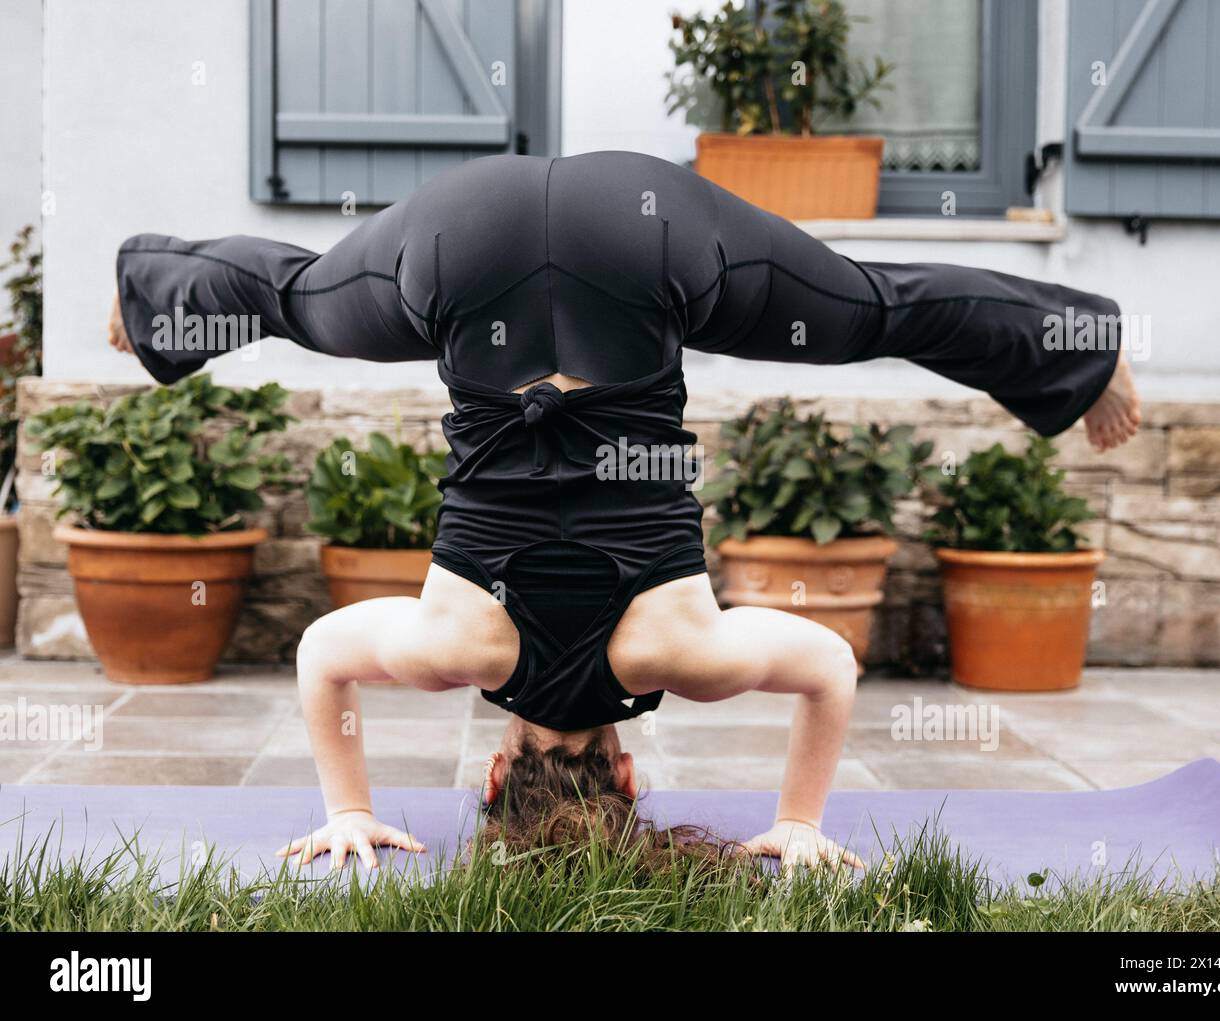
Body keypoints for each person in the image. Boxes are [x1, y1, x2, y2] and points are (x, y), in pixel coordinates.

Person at [107, 150, 1141, 871]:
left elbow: (831, 668)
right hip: (462, 242)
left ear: (631, 775)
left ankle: (1078, 349)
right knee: (294, 303)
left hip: (648, 244)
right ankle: (147, 299)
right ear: (494, 772)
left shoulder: (675, 653)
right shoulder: (453, 640)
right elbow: (321, 658)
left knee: (869, 310)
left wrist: (797, 821)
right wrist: (349, 809)